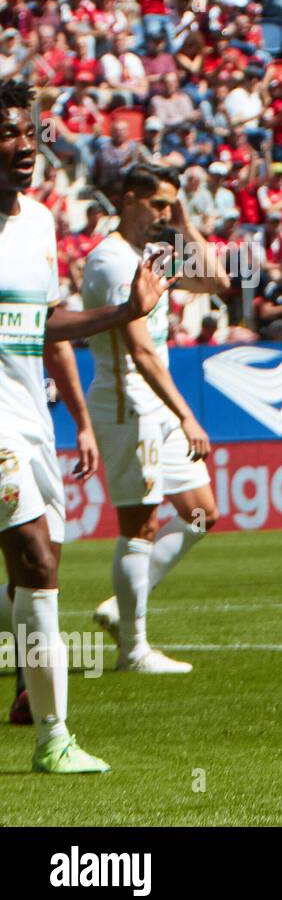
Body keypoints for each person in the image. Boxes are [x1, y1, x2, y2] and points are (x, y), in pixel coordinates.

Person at [0, 79, 173, 773]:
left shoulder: (40, 222)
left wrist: (78, 413)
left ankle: (37, 719)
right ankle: (54, 737)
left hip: (29, 416)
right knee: (35, 558)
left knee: (38, 570)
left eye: (29, 132)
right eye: (8, 133)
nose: (24, 145)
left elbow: (41, 327)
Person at [81, 164, 230, 674]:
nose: (164, 213)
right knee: (140, 522)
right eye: (157, 204)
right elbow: (141, 351)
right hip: (130, 406)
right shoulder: (111, 261)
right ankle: (133, 650)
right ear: (128, 200)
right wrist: (188, 416)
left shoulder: (149, 256)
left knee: (200, 512)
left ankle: (118, 608)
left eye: (169, 204)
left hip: (156, 404)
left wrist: (187, 221)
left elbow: (217, 280)